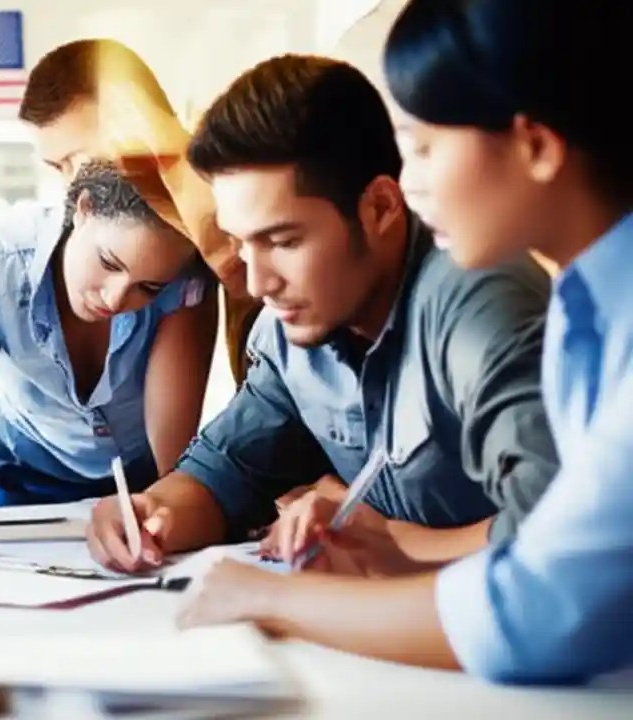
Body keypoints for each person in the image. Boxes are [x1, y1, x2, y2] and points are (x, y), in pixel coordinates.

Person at [178, 0, 633, 685]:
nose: (410, 183)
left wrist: (273, 599)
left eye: (423, 146)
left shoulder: (510, 303)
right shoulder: (586, 306)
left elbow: (539, 608)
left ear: (536, 146)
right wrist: (391, 551)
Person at [86, 54, 558, 575]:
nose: (258, 283)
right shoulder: (291, 330)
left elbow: (560, 523)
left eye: (283, 241)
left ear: (380, 207)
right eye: (241, 243)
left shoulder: (478, 303)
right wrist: (152, 512)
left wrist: (397, 543)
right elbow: (226, 472)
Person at [0, 161, 211, 537]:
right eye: (108, 263)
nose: (115, 299)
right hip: (6, 476)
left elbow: (172, 465)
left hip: (135, 484)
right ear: (84, 208)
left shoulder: (187, 284)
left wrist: (169, 516)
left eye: (149, 288)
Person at [16, 38, 262, 386]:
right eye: (58, 168)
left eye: (76, 160)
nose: (71, 186)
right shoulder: (124, 250)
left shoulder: (231, 202)